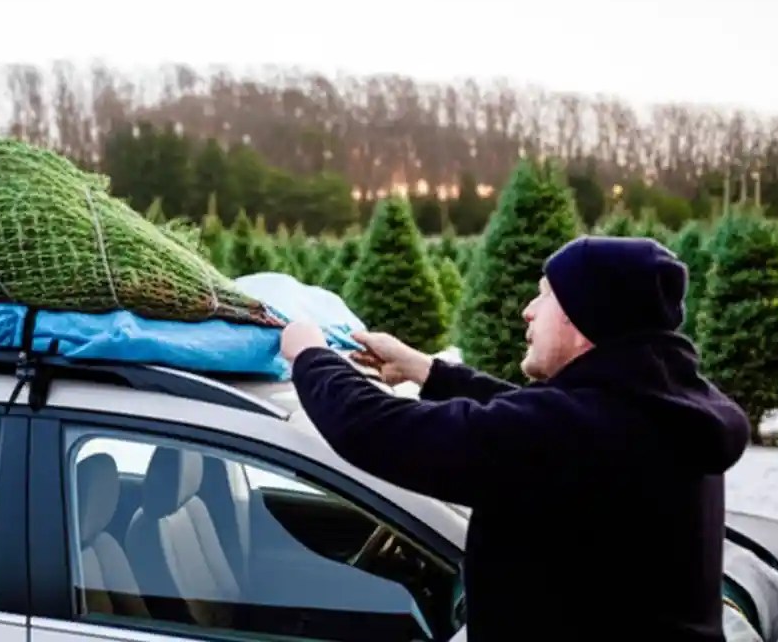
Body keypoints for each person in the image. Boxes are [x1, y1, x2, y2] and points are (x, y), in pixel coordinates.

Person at [279, 235, 752, 641]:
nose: (528, 311)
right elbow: (537, 422)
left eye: (544, 296)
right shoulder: (658, 414)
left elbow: (378, 430)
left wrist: (309, 356)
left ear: (582, 316)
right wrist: (429, 371)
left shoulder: (570, 431)